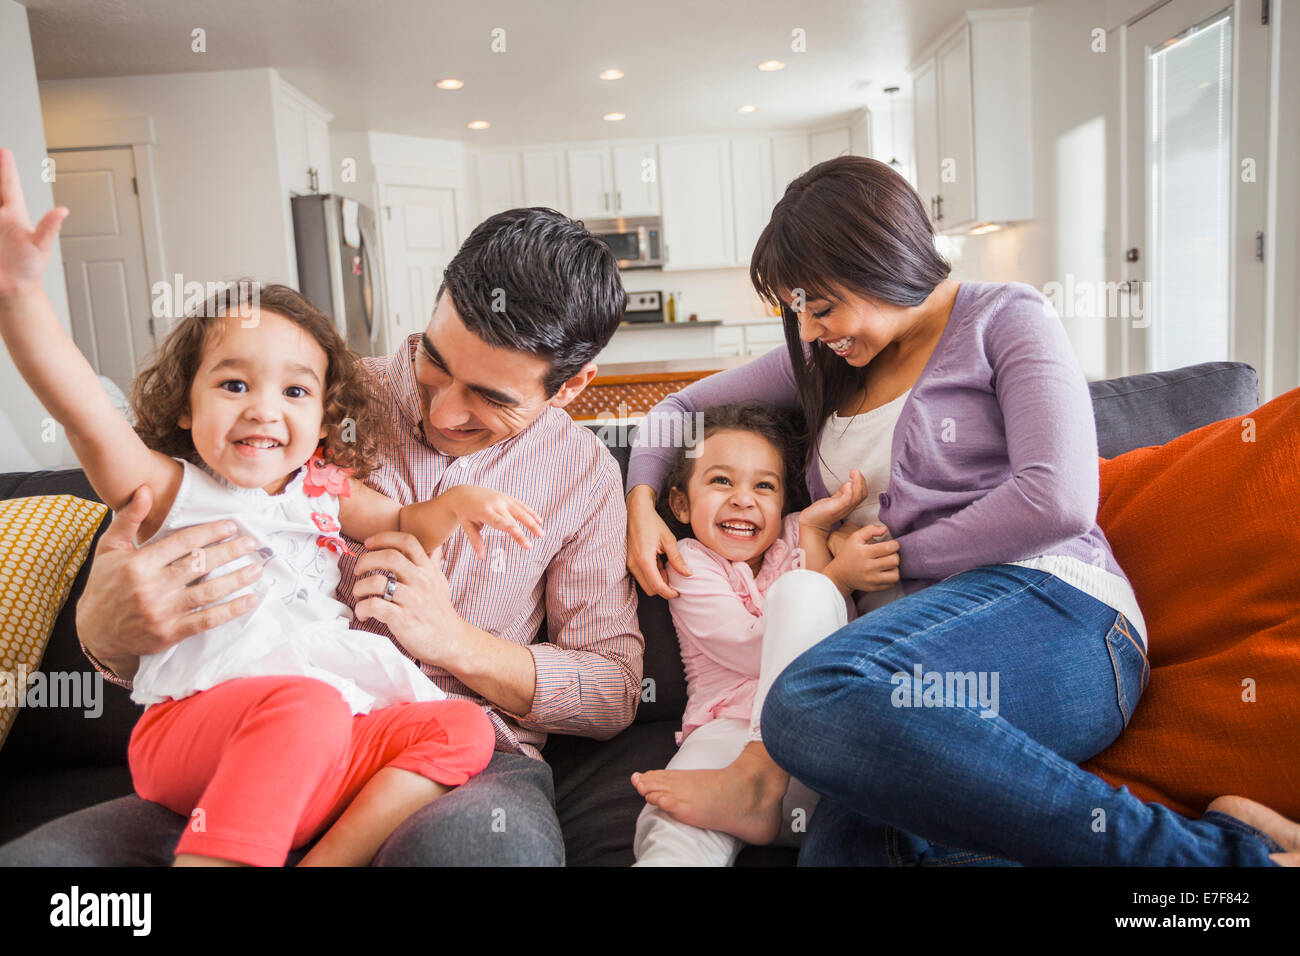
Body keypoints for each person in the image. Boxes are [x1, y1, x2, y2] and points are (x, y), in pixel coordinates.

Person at [624, 155, 1298, 866]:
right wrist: (642, 498)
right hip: (899, 677)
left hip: (1059, 617)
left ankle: (1218, 865)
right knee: (843, 853)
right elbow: (678, 408)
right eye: (801, 315)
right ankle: (1247, 845)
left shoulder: (1005, 317)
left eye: (821, 308)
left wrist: (891, 559)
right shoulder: (825, 364)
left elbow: (1058, 498)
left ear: (877, 259)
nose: (814, 332)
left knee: (808, 697)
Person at [0, 163, 642, 865]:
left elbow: (611, 691)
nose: (445, 410)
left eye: (490, 397)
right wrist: (105, 633)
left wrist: (452, 640)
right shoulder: (309, 400)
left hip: (436, 759)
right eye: (435, 362)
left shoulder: (582, 474)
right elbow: (111, 449)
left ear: (573, 385)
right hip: (252, 745)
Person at [630, 401, 890, 865]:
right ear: (680, 504)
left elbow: (827, 631)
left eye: (763, 486)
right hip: (725, 737)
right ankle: (737, 803)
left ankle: (768, 793)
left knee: (805, 590)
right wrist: (839, 577)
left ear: (783, 503)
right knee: (672, 822)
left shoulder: (795, 536)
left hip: (815, 739)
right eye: (721, 481)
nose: (743, 499)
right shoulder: (691, 563)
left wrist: (813, 530)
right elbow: (758, 650)